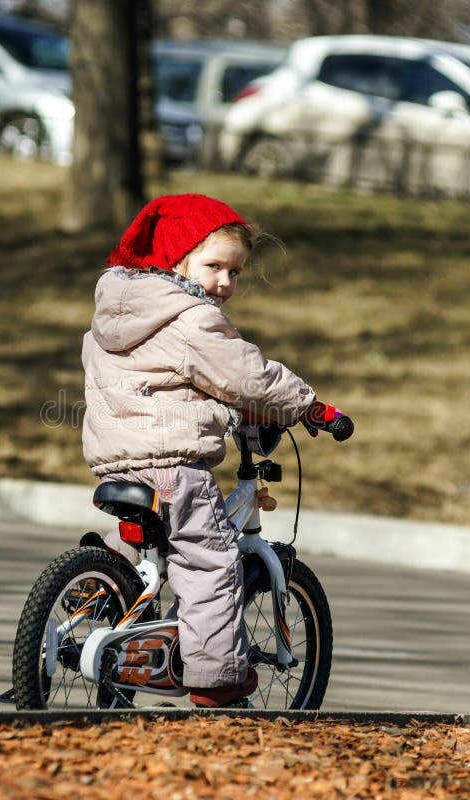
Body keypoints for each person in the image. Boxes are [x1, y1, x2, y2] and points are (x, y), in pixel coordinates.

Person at [81, 194, 343, 707]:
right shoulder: (192, 319)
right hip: (175, 466)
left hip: (119, 459)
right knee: (211, 562)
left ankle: (95, 589)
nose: (225, 282)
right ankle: (218, 680)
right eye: (214, 266)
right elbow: (247, 375)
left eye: (236, 272)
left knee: (147, 551)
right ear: (176, 261)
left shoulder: (116, 314)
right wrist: (309, 407)